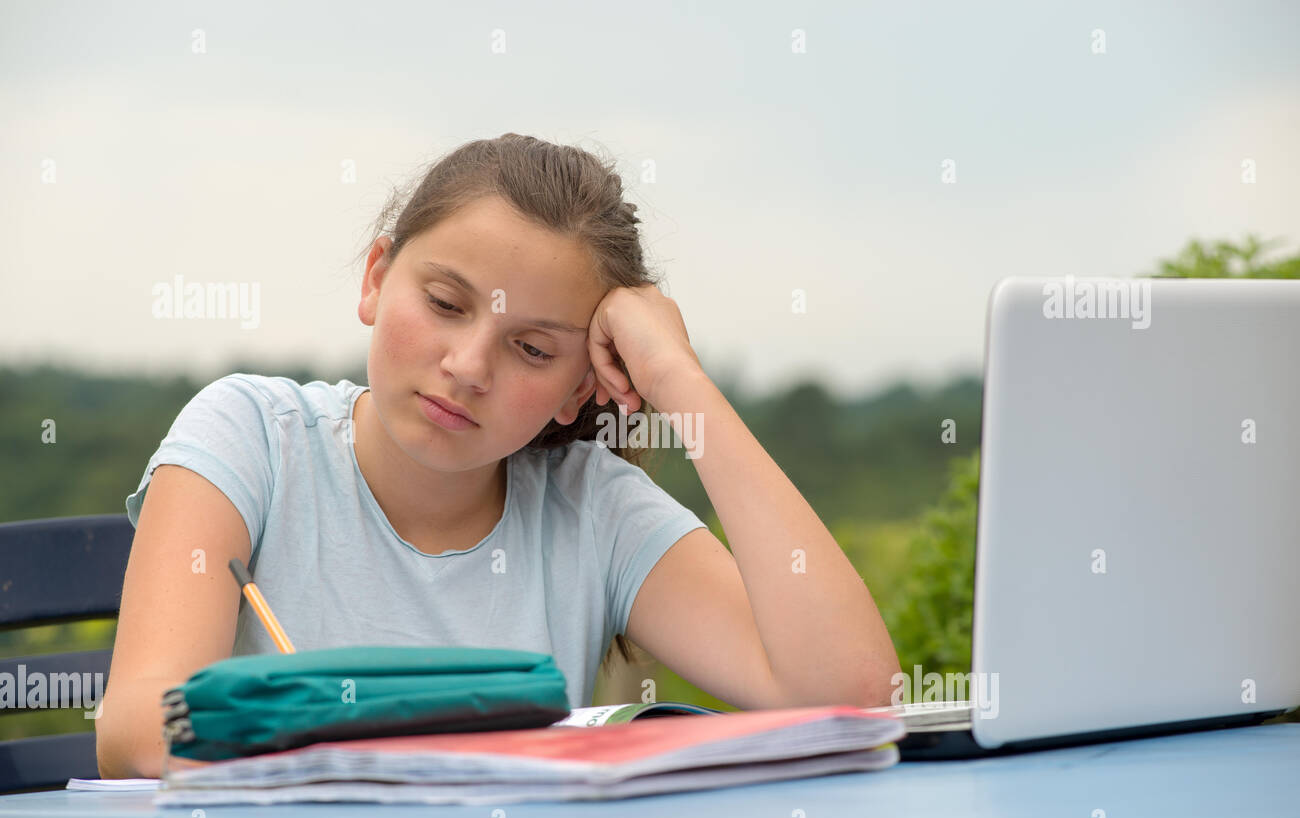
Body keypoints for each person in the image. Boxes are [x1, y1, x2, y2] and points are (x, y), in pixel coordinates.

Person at [96, 133, 900, 779]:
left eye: (532, 348)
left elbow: (852, 697)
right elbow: (139, 729)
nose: (470, 365)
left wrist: (677, 377)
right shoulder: (250, 436)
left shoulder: (592, 507)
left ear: (576, 392)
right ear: (377, 277)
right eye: (445, 304)